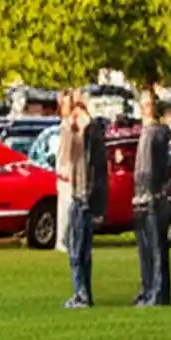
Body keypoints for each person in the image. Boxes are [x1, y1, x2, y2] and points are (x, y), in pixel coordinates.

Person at [132, 90, 171, 307]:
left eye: (148, 104)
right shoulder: (148, 132)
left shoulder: (157, 133)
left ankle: (157, 293)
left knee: (156, 249)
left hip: (153, 198)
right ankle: (148, 289)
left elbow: (158, 169)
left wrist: (155, 191)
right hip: (143, 197)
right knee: (146, 249)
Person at [64, 99, 107, 309]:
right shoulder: (84, 139)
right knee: (77, 249)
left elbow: (97, 174)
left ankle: (82, 294)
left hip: (84, 200)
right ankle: (82, 293)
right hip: (80, 198)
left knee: (78, 250)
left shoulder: (91, 138)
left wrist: (94, 204)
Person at [54, 90, 76, 253]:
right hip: (65, 175)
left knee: (69, 210)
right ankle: (62, 241)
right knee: (64, 211)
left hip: (70, 174)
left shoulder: (70, 127)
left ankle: (67, 240)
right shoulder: (64, 128)